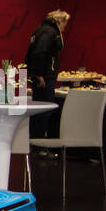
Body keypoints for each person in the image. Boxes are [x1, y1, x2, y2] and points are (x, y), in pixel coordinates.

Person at [26, 10, 69, 138]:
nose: (64, 27)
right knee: (45, 111)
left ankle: (34, 144)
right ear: (59, 21)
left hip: (38, 75)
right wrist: (40, 74)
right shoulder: (51, 32)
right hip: (45, 77)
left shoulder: (39, 30)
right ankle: (40, 146)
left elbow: (29, 55)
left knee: (37, 111)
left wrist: (32, 73)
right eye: (64, 23)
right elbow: (40, 52)